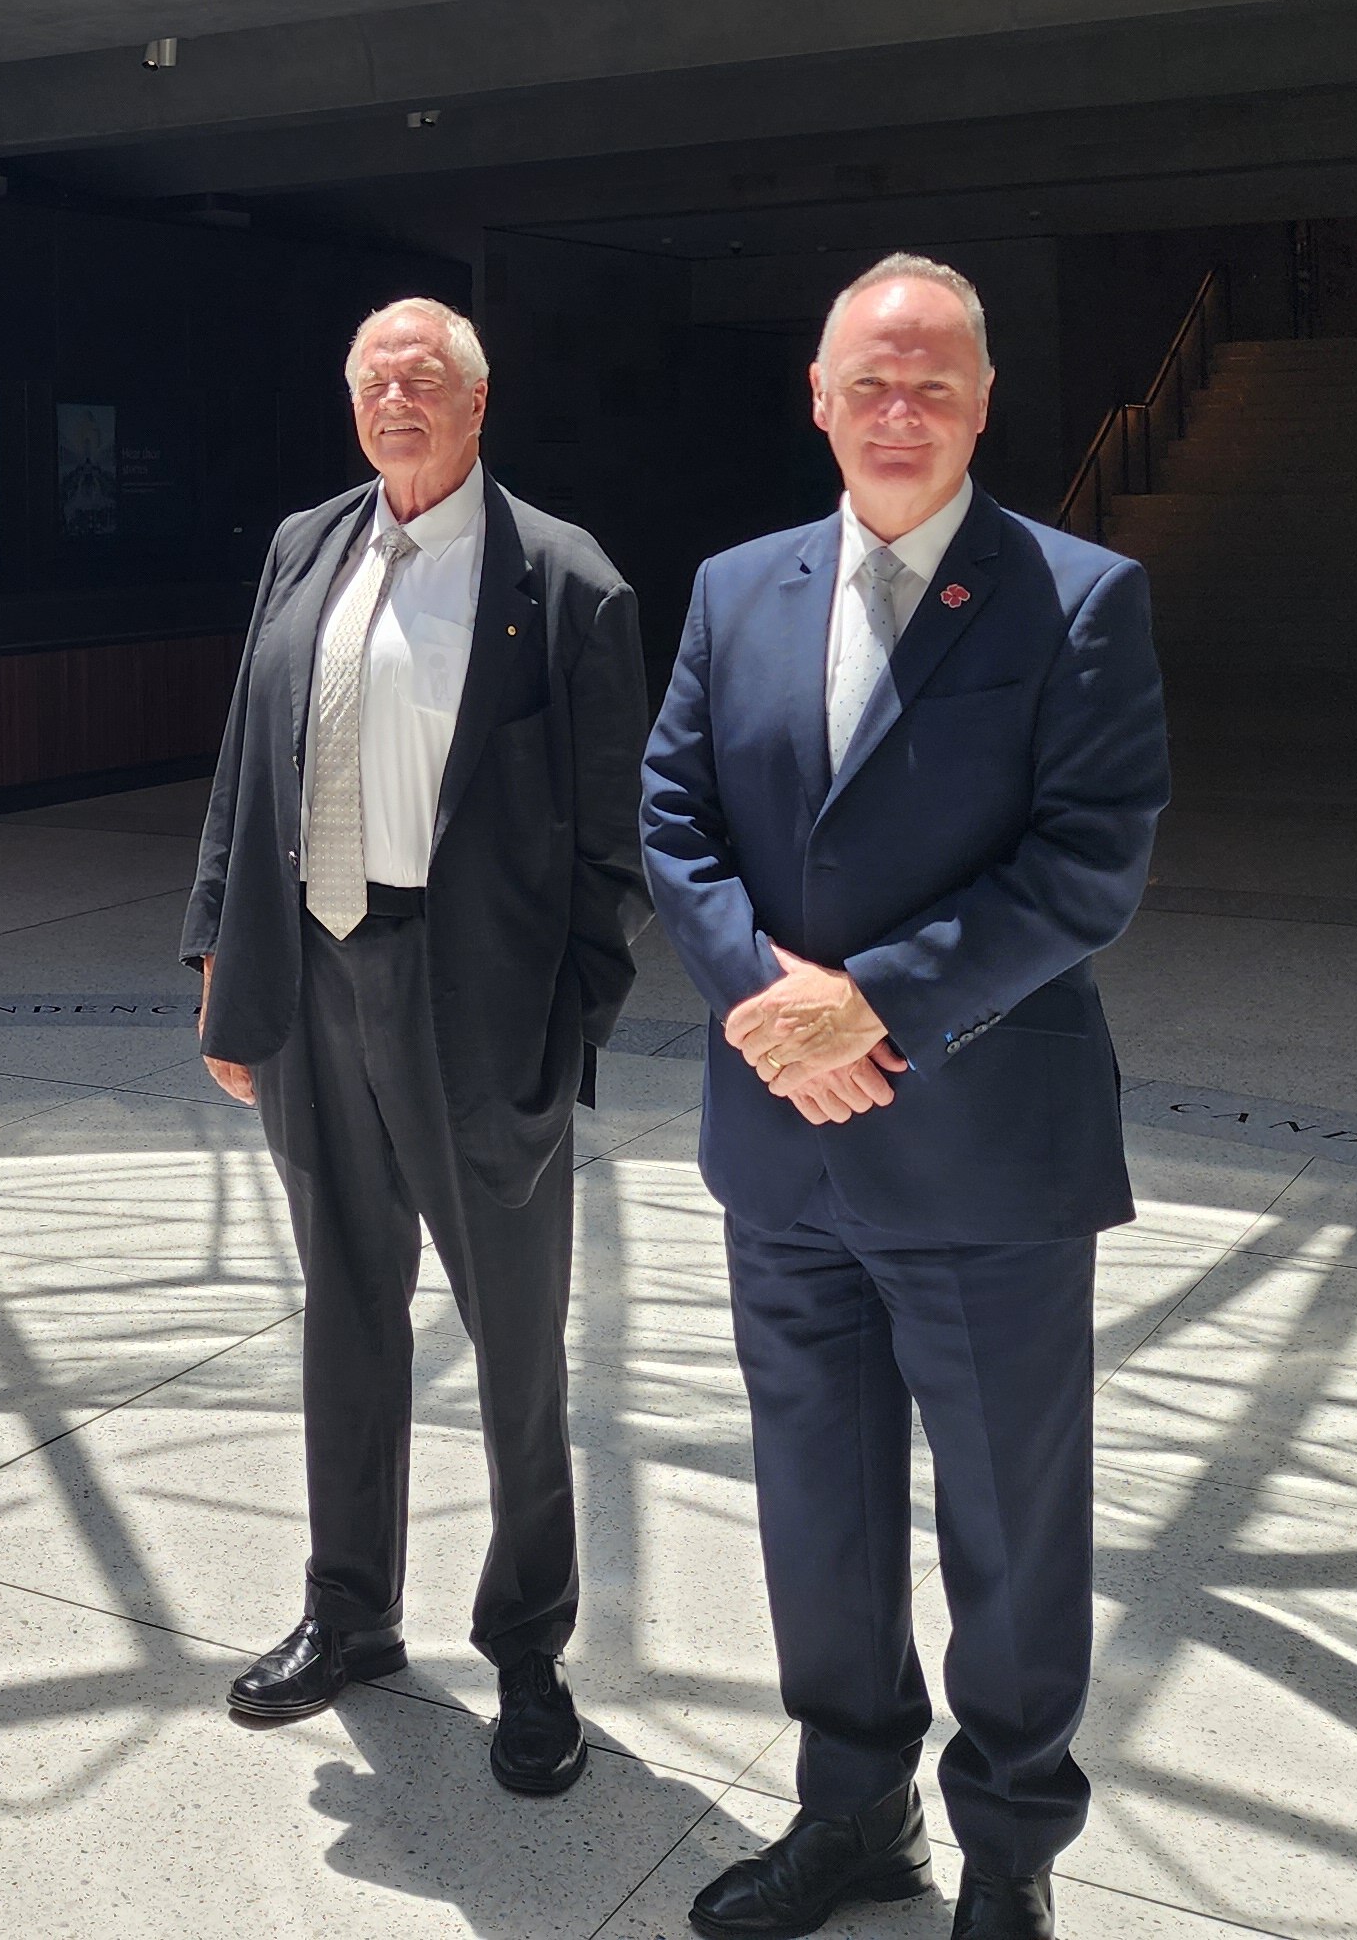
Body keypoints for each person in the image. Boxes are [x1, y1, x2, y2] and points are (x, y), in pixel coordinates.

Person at [638, 254, 1167, 1940]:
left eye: (933, 382)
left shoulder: (1077, 598)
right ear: (818, 395)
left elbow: (1089, 864)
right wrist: (766, 999)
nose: (899, 411)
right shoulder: (734, 590)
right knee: (818, 1508)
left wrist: (874, 1004)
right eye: (869, 381)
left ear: (986, 403)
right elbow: (672, 819)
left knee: (1014, 1531)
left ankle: (1011, 1852)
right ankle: (852, 1810)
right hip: (783, 1166)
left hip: (986, 1160)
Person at [181, 296, 651, 1797]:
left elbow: (611, 842)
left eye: (426, 381)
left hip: (475, 1003)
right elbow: (243, 772)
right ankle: (349, 1613)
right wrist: (221, 962)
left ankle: (527, 1647)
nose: (398, 401)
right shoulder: (304, 545)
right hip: (312, 974)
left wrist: (563, 1014)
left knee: (516, 1340)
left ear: (477, 406)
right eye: (377, 381)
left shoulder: (564, 582)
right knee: (346, 1306)